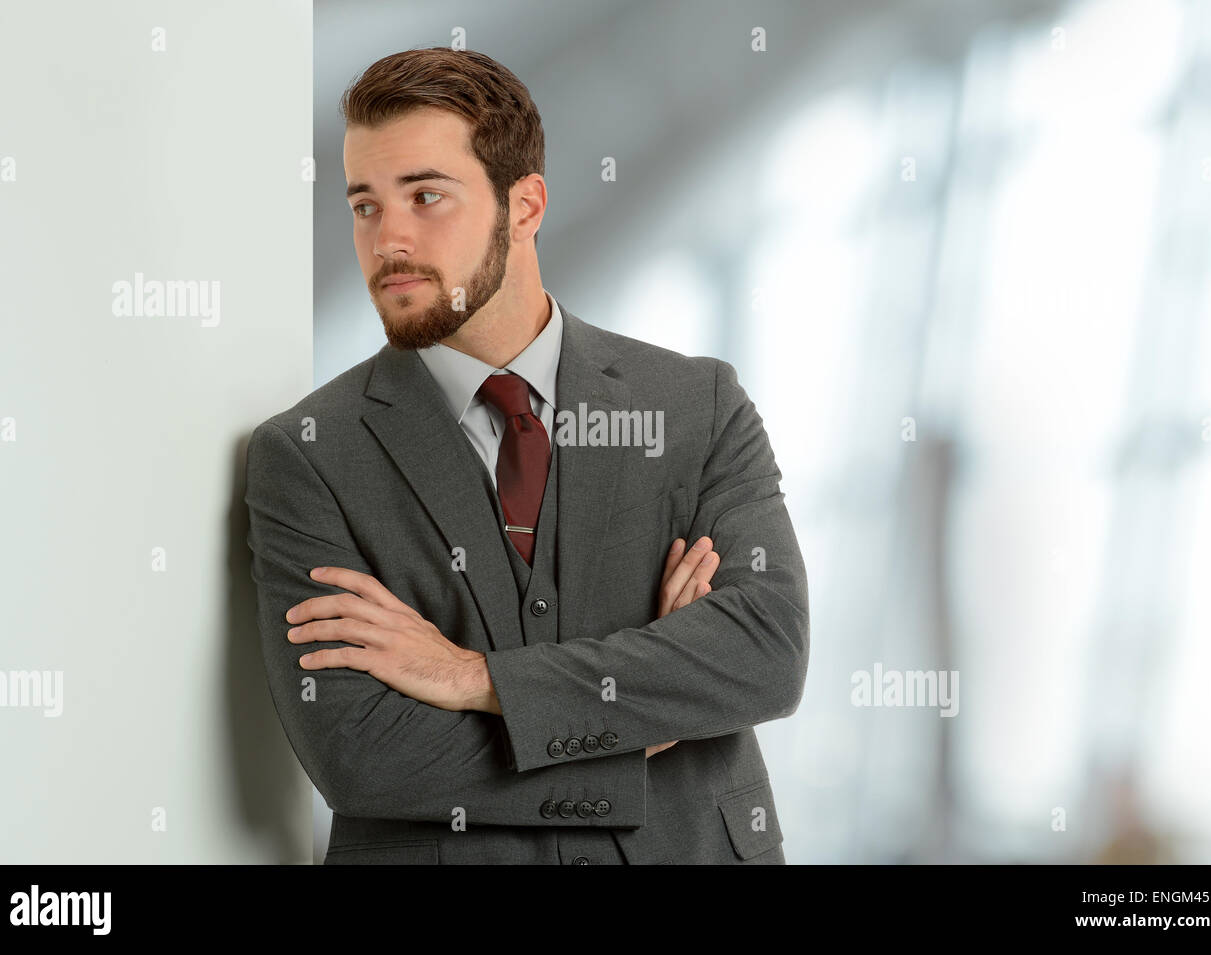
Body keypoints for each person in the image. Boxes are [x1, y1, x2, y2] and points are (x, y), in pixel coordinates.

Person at [244, 47, 810, 864]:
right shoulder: (307, 455)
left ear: (525, 205)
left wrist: (472, 677)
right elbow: (363, 754)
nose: (387, 237)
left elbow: (764, 651)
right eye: (365, 205)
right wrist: (645, 721)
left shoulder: (695, 406)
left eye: (426, 195)